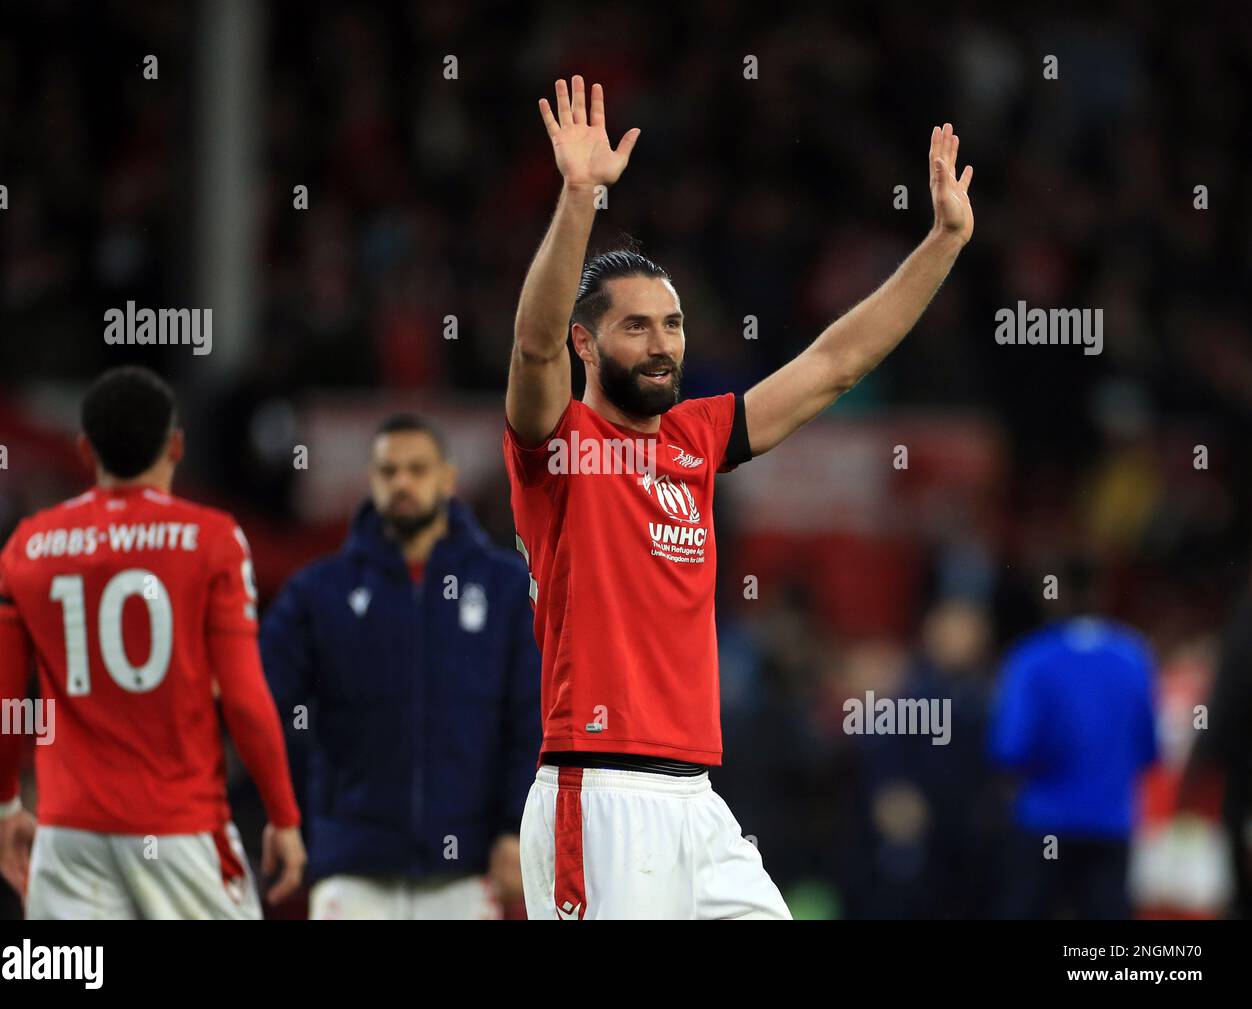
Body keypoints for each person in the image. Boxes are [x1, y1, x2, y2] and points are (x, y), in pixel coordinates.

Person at [504, 75, 974, 919]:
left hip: (698, 801)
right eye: (636, 326)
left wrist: (941, 242)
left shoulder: (695, 439)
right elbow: (533, 349)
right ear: (587, 341)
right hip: (600, 791)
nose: (662, 345)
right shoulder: (557, 445)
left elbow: (835, 364)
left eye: (673, 325)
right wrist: (580, 199)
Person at [0, 366, 304, 919]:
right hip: (182, 832)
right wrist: (283, 815)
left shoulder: (29, 547)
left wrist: (4, 805)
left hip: (69, 837)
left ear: (85, 450)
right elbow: (246, 699)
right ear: (175, 446)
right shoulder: (213, 540)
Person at [261, 414, 541, 919]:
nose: (403, 483)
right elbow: (258, 702)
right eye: (389, 472)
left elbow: (531, 718)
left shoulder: (504, 587)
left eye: (417, 469)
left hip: (470, 864)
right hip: (353, 862)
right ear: (371, 480)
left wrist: (515, 827)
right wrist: (282, 812)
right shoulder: (319, 591)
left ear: (448, 479)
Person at [990, 562, 1159, 919]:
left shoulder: (1032, 658)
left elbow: (1010, 747)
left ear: (1055, 596)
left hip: (1045, 822)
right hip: (1111, 824)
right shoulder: (1133, 655)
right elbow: (1149, 748)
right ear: (1100, 595)